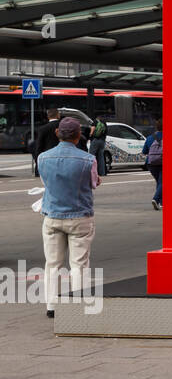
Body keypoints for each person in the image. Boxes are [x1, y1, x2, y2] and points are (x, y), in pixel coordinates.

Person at [36, 117, 100, 318]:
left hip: (52, 216)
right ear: (78, 136)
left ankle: (52, 306)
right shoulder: (88, 159)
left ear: (57, 133)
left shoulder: (43, 158)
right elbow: (94, 183)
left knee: (52, 264)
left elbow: (45, 181)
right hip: (80, 217)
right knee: (79, 264)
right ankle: (77, 306)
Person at [30, 106, 61, 176]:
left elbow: (39, 146)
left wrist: (37, 165)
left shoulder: (42, 129)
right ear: (58, 115)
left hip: (48, 158)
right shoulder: (63, 126)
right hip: (62, 158)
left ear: (48, 116)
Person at [143, 120, 164, 209]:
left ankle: (161, 203)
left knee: (160, 182)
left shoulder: (150, 137)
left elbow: (144, 151)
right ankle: (156, 199)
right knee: (162, 182)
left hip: (151, 164)